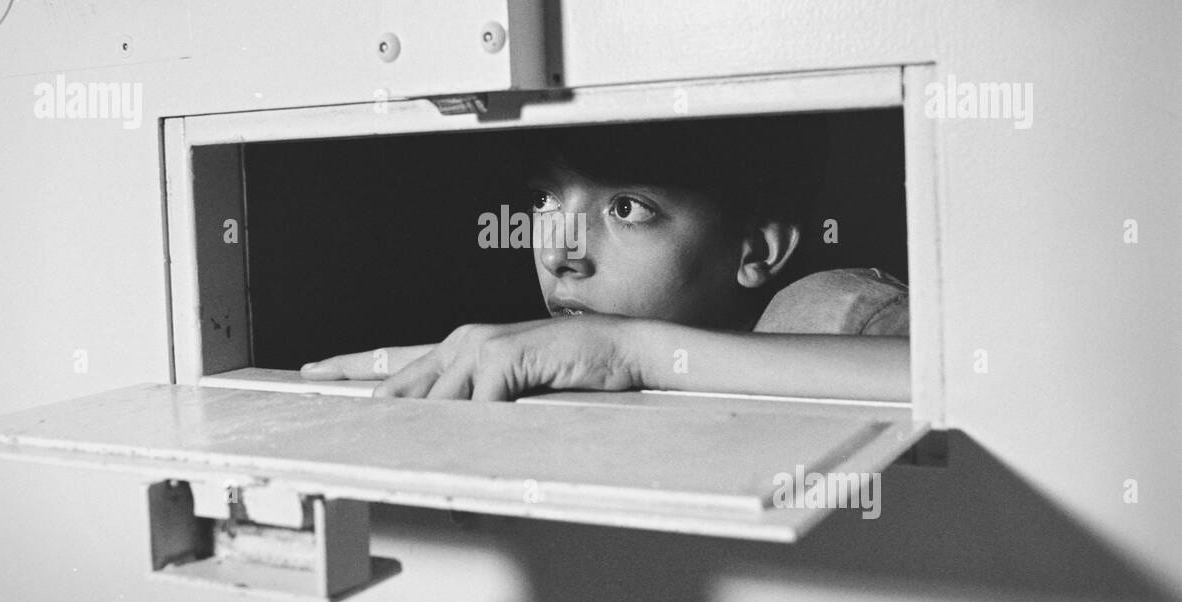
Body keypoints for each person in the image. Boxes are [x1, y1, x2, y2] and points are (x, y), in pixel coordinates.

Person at [301, 116, 910, 401]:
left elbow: (963, 382)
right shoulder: (556, 375)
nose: (556, 251)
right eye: (545, 200)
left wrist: (629, 349)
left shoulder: (832, 311)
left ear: (757, 248)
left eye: (626, 208)